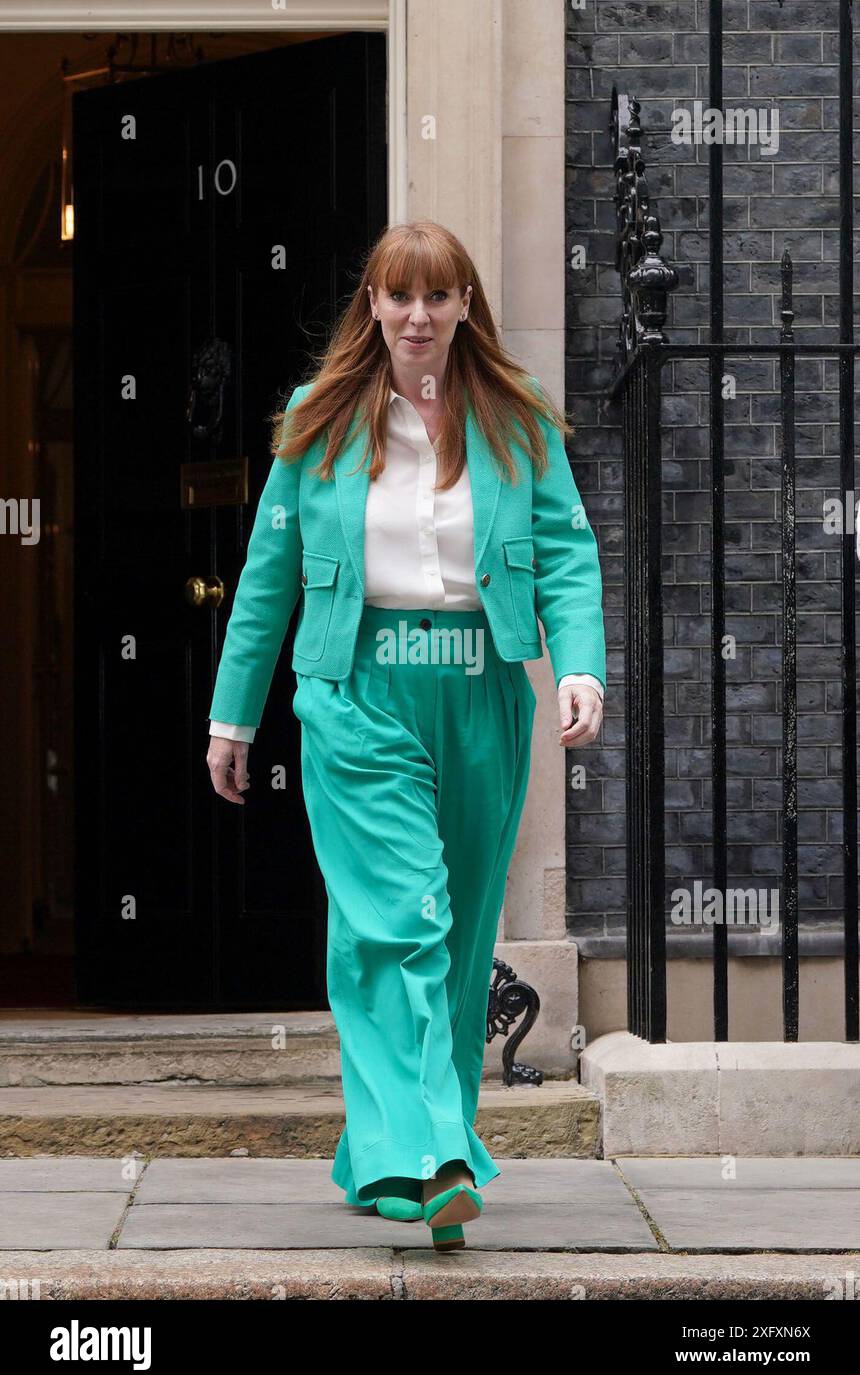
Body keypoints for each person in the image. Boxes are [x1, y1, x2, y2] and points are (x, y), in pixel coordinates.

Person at [206, 220, 605, 1252]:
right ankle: (435, 1154)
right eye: (398, 297)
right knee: (402, 922)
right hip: (355, 691)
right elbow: (267, 577)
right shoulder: (318, 420)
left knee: (460, 936)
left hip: (477, 689)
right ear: (372, 308)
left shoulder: (515, 423)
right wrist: (232, 715)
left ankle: (380, 1155)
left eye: (437, 297)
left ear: (465, 305)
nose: (417, 316)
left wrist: (576, 665)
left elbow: (564, 553)